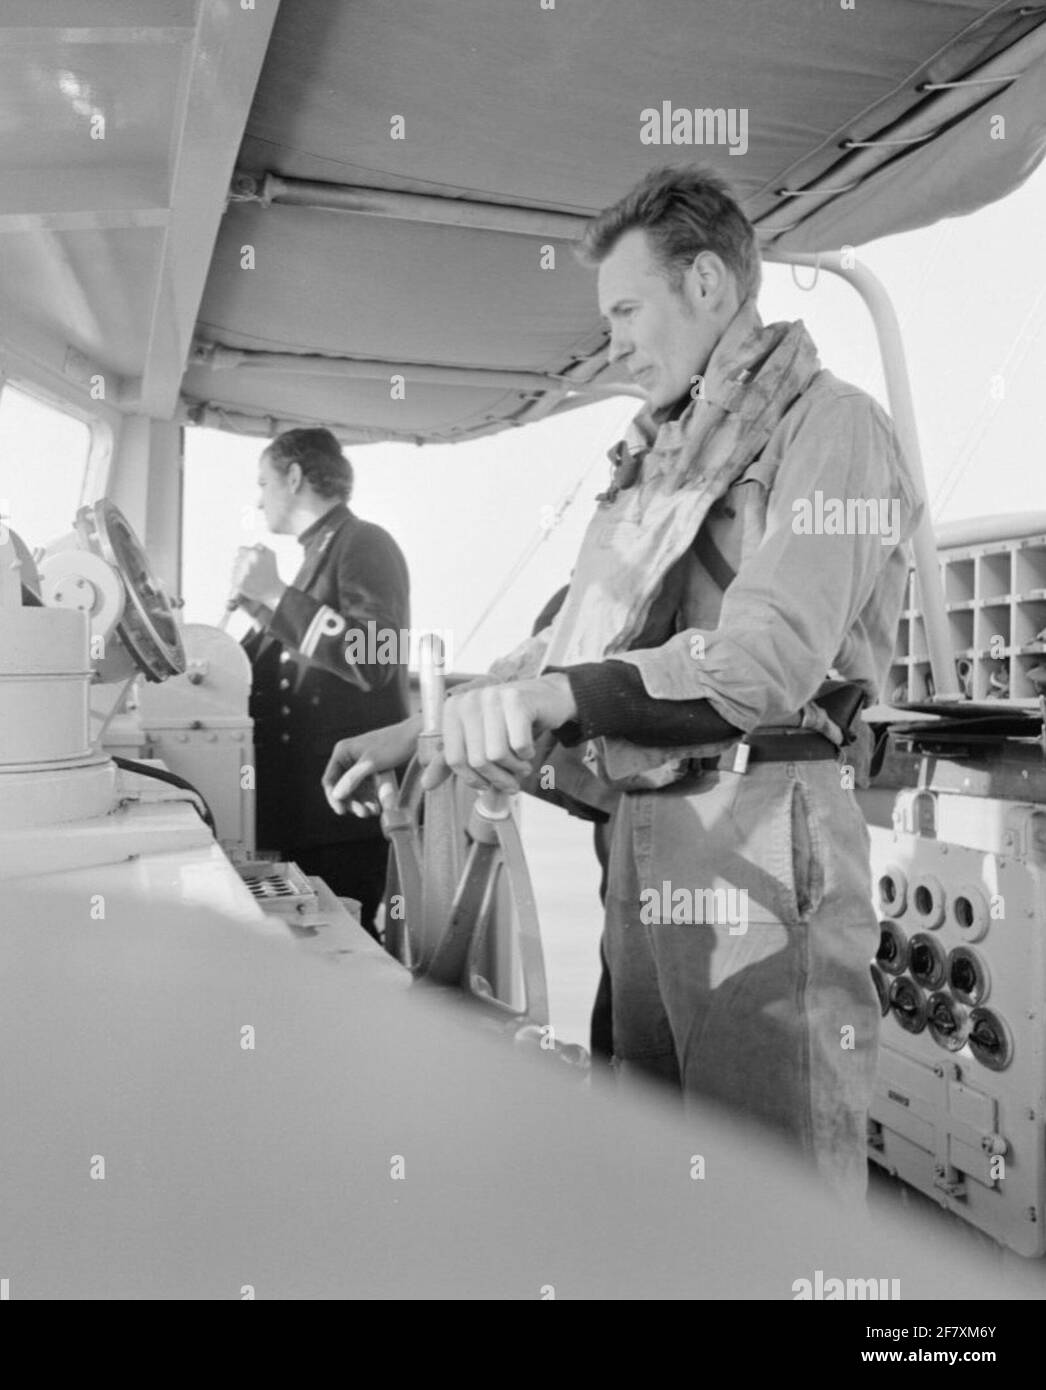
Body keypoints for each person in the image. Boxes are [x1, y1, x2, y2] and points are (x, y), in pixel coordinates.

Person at [323, 166, 921, 1197]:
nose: (615, 345)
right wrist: (429, 730)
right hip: (644, 830)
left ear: (707, 284)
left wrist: (562, 699)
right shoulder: (662, 464)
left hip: (761, 829)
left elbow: (765, 659)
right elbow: (567, 643)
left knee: (765, 1181)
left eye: (627, 311)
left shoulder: (835, 429)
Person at [230, 427, 411, 938]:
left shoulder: (364, 542)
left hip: (339, 813)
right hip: (302, 811)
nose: (258, 499)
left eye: (263, 483)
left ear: (293, 477)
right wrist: (261, 606)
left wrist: (276, 594)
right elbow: (300, 661)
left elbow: (375, 658)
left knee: (345, 946)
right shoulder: (320, 553)